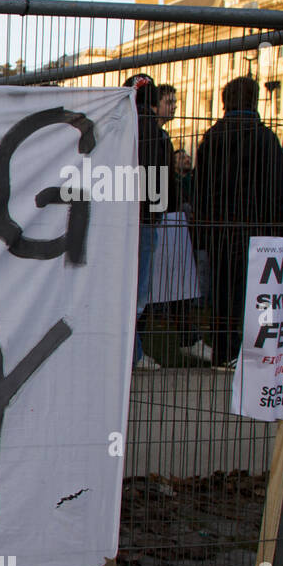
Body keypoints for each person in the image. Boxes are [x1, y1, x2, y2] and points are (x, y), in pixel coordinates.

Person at [189, 76, 283, 368]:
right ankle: (254, 352)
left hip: (219, 228)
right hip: (257, 228)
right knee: (257, 293)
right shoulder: (265, 137)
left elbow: (200, 187)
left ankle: (224, 350)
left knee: (221, 293)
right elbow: (276, 187)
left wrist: (203, 230)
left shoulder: (211, 137)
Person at [125, 74, 173, 370]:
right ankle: (133, 352)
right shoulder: (157, 135)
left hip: (119, 218)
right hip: (145, 219)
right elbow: (161, 184)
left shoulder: (119, 129)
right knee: (138, 291)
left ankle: (132, 351)